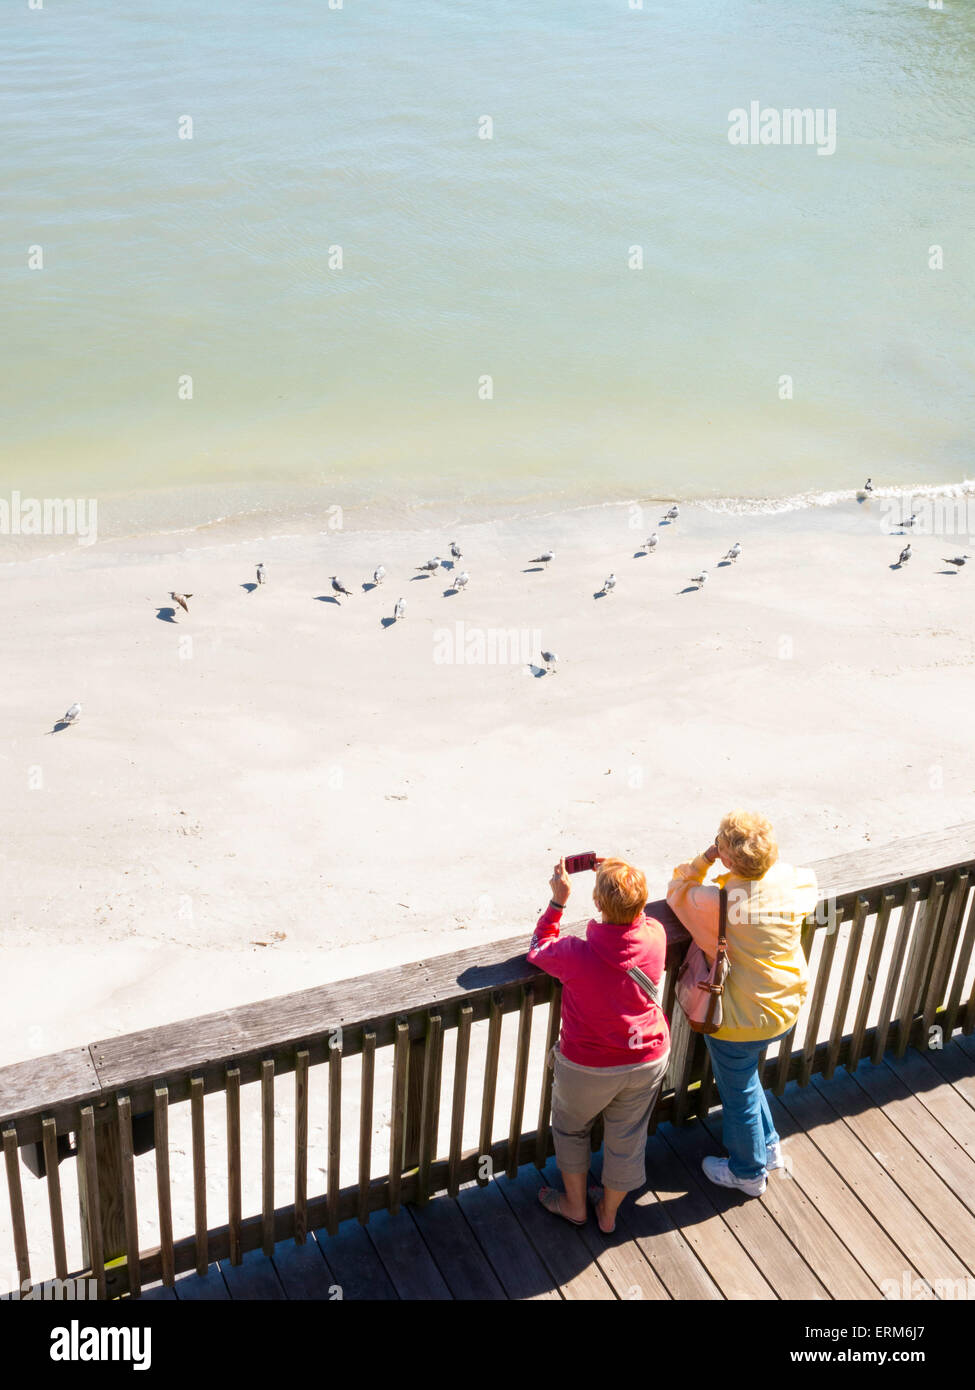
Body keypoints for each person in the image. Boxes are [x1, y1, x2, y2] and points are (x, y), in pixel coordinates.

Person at [667, 810, 818, 1196]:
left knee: (738, 1096)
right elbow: (804, 880)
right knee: (747, 1082)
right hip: (784, 1006)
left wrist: (704, 860)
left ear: (729, 859)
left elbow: (677, 890)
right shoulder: (789, 881)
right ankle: (768, 1148)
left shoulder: (717, 901)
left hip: (740, 1020)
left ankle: (748, 1173)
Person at [527, 856, 670, 1232]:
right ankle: (608, 1212)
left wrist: (558, 902)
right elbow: (635, 919)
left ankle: (575, 1205)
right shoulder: (656, 936)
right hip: (648, 1055)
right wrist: (619, 871)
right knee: (627, 1135)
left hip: (589, 1065)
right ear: (641, 903)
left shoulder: (576, 954)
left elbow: (539, 947)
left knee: (571, 1129)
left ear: (597, 903)